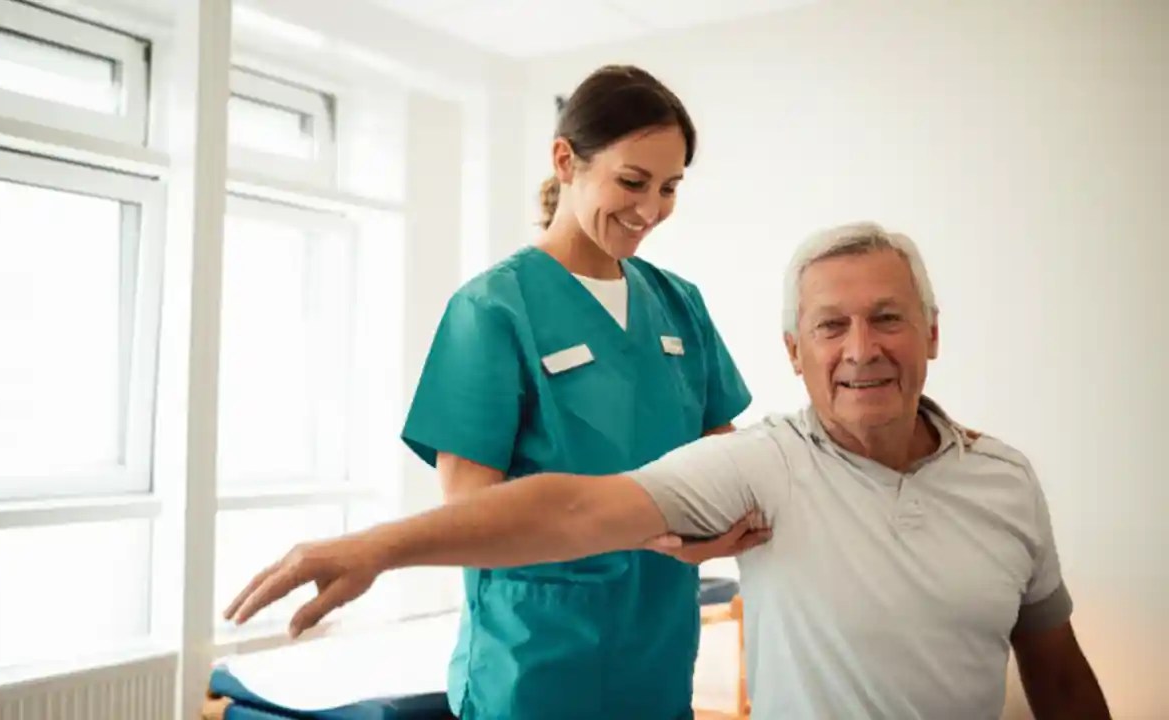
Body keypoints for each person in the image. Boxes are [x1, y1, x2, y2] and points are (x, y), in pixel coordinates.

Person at [226, 222, 1110, 719]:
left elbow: (1059, 673)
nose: (861, 350)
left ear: (933, 333)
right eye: (832, 329)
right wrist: (378, 547)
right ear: (794, 354)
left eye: (888, 319)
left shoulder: (1006, 480)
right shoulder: (763, 464)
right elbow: (570, 510)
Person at [397, 64, 765, 719]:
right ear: (566, 160)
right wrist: (633, 528)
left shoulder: (679, 305)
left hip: (656, 656)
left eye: (670, 187)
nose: (651, 209)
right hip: (534, 664)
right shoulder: (492, 310)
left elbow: (724, 467)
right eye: (632, 181)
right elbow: (469, 519)